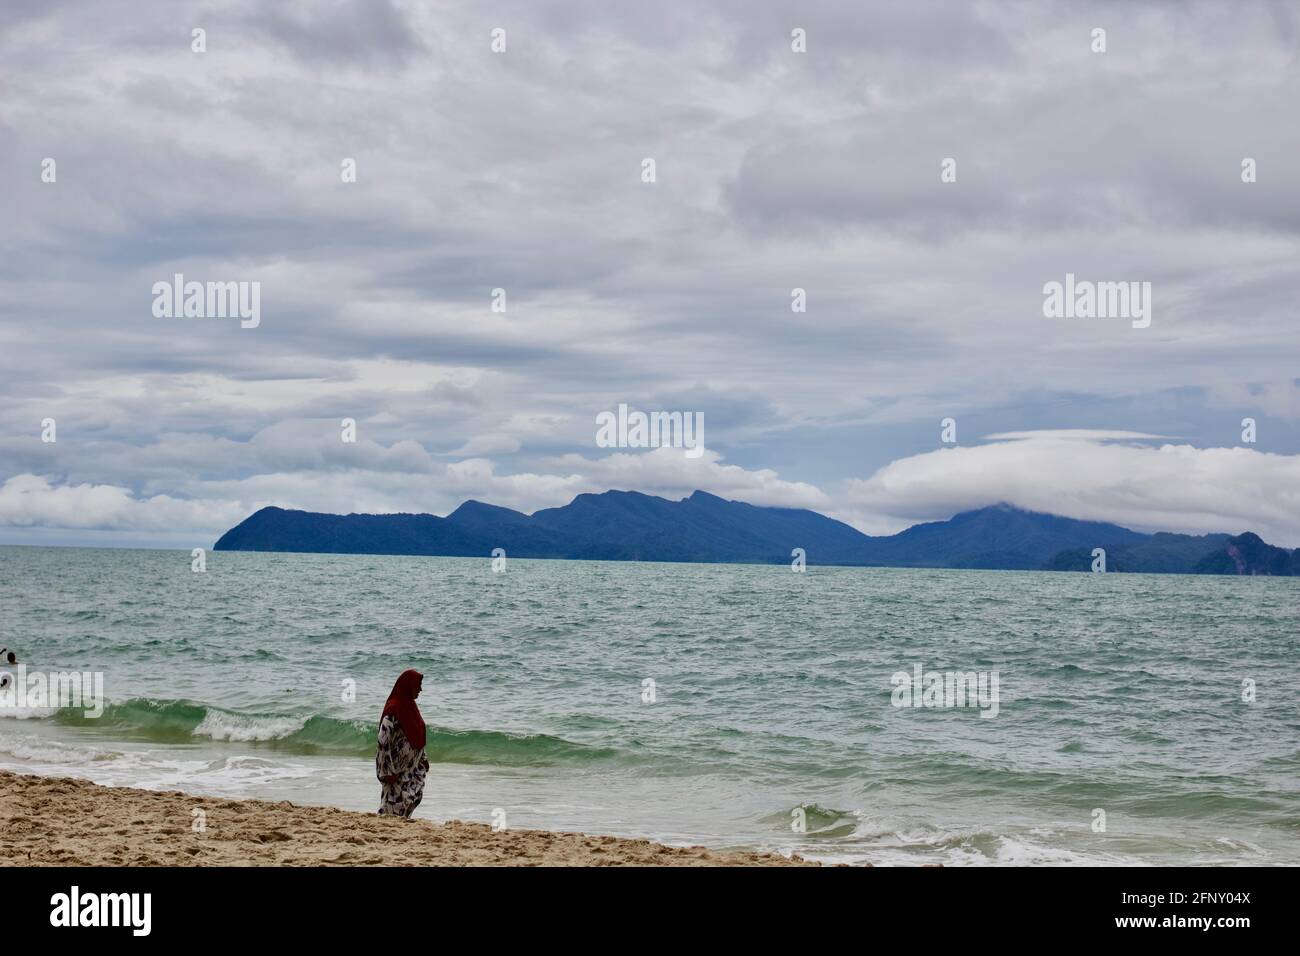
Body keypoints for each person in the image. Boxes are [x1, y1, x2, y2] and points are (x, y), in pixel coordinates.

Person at [375, 669, 429, 817]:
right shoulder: (394, 708)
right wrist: (387, 771)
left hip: (411, 768)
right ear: (408, 686)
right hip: (395, 770)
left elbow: (418, 737)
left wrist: (423, 759)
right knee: (392, 805)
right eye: (418, 686)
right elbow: (383, 741)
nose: (420, 689)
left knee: (411, 798)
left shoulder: (410, 707)